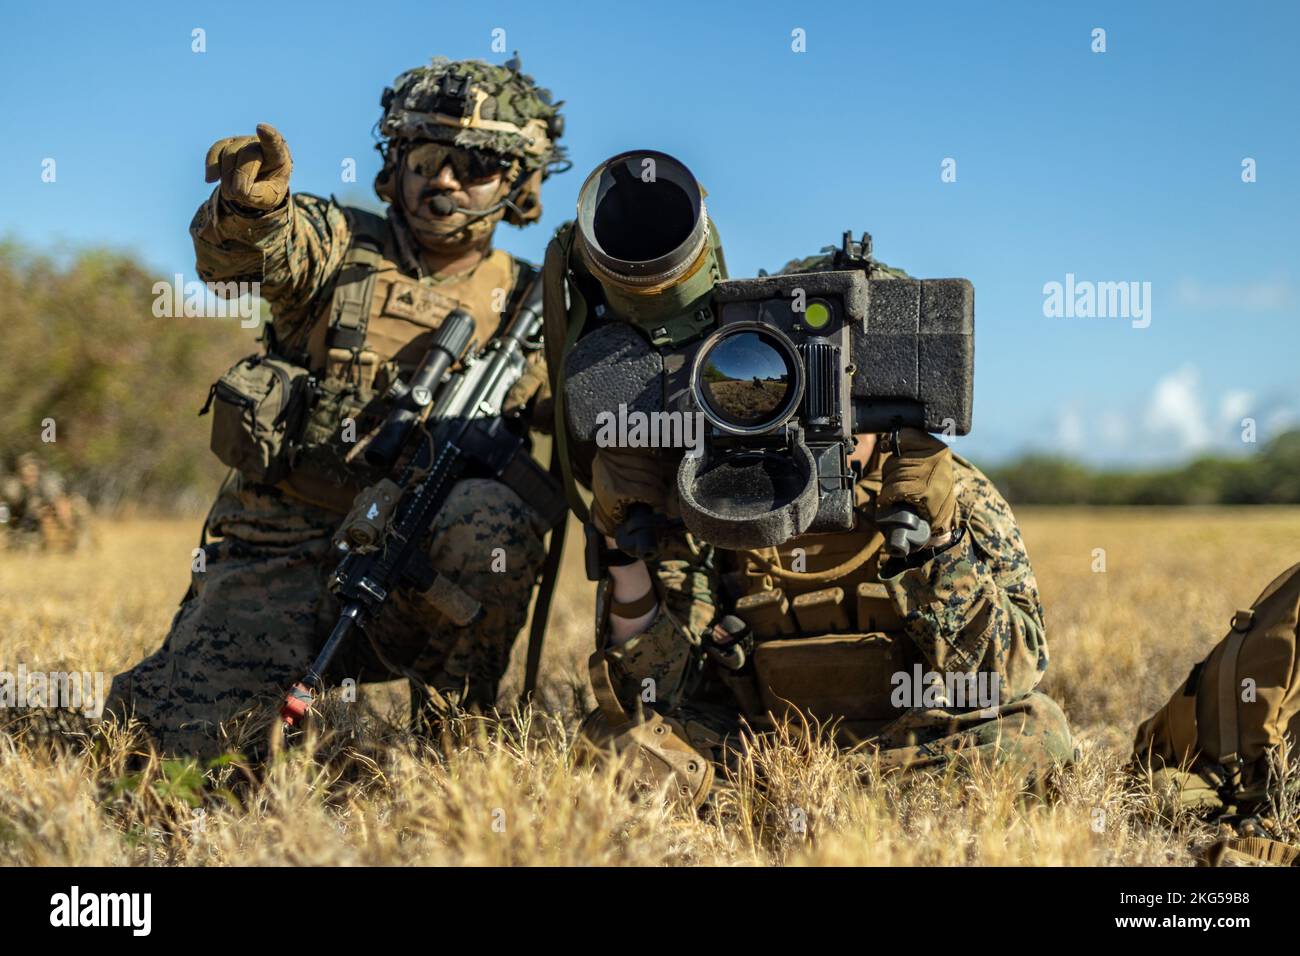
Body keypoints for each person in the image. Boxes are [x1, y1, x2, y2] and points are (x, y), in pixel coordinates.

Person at [106, 56, 568, 758]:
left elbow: (594, 432)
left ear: (519, 183)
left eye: (474, 163)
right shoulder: (339, 244)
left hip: (418, 584)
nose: (443, 179)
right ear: (395, 162)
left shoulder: (537, 309)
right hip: (282, 559)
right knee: (197, 754)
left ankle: (454, 736)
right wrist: (252, 208)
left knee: (494, 520)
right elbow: (249, 255)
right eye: (426, 157)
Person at [561, 244, 1075, 807]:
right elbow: (656, 689)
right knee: (612, 737)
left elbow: (1007, 679)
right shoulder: (714, 485)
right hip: (754, 745)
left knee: (1035, 732)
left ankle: (765, 806)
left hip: (906, 745)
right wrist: (625, 549)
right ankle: (811, 801)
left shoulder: (954, 490)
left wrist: (941, 539)